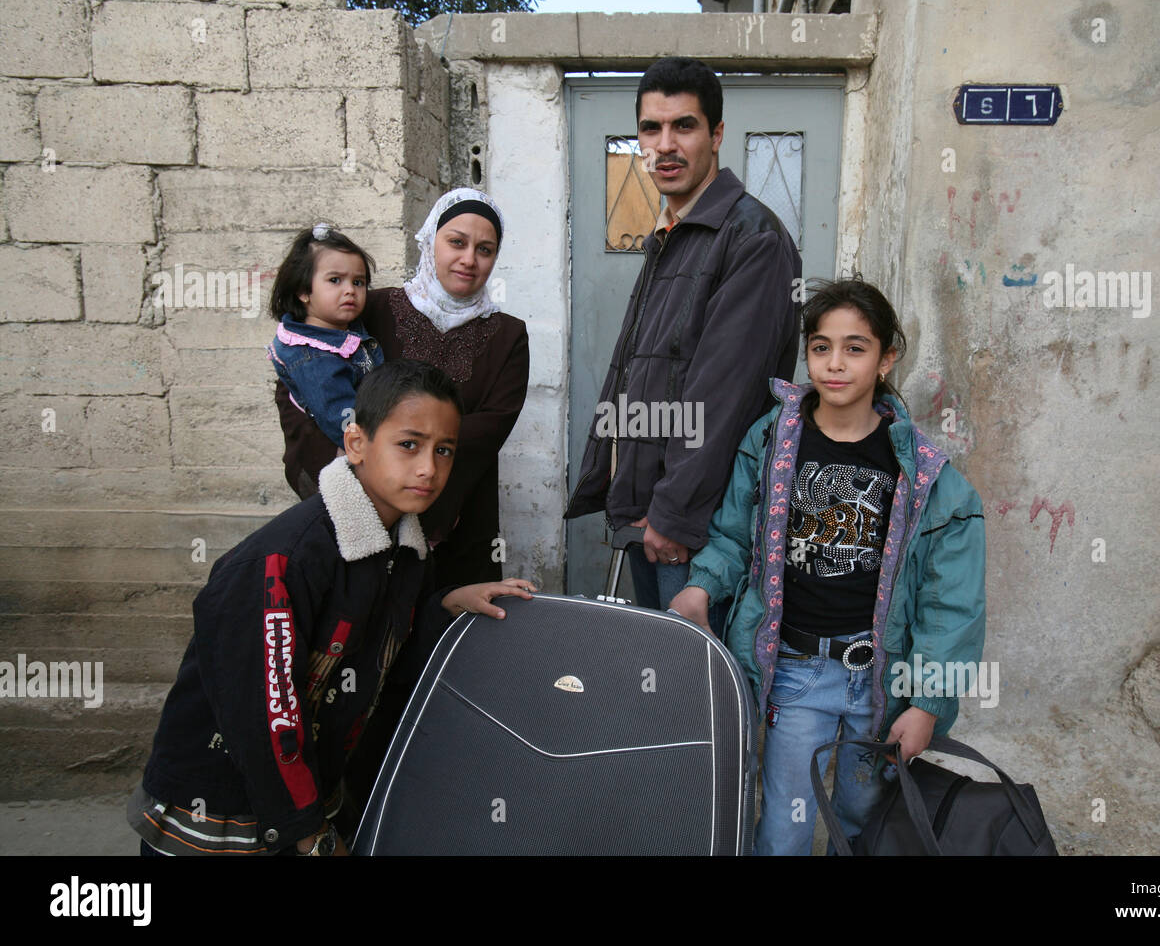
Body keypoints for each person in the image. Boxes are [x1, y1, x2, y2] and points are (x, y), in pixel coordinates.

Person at [127, 360, 536, 855]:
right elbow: (265, 715)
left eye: (444, 449)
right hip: (220, 799)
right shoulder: (284, 561)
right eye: (409, 444)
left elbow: (382, 652)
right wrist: (311, 837)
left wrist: (444, 606)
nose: (429, 468)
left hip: (308, 791)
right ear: (357, 443)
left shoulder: (406, 547)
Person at [669, 279, 986, 855]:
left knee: (863, 824)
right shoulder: (772, 442)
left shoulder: (923, 475)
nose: (834, 364)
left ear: (887, 357)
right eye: (821, 347)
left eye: (855, 348)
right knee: (784, 826)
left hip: (879, 680)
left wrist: (927, 702)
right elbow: (734, 536)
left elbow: (951, 605)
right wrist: (700, 588)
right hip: (795, 672)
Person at [565, 57, 802, 627]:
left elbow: (724, 394)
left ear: (716, 134)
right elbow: (640, 371)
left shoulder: (752, 237)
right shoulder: (673, 233)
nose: (664, 145)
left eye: (684, 126)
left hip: (697, 527)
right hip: (654, 512)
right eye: (651, 128)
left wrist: (673, 513)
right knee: (665, 690)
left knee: (699, 695)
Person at [275, 189, 528, 589]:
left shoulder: (508, 335)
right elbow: (304, 379)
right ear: (431, 241)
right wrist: (362, 474)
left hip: (457, 511)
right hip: (362, 506)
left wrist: (413, 457)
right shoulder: (371, 308)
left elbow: (491, 427)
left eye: (485, 249)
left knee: (446, 629)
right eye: (456, 242)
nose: (469, 259)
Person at [267, 224, 383, 451]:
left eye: (358, 282)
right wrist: (379, 448)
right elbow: (342, 421)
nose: (350, 290)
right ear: (303, 290)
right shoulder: (313, 358)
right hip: (356, 450)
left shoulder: (343, 331)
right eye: (335, 280)